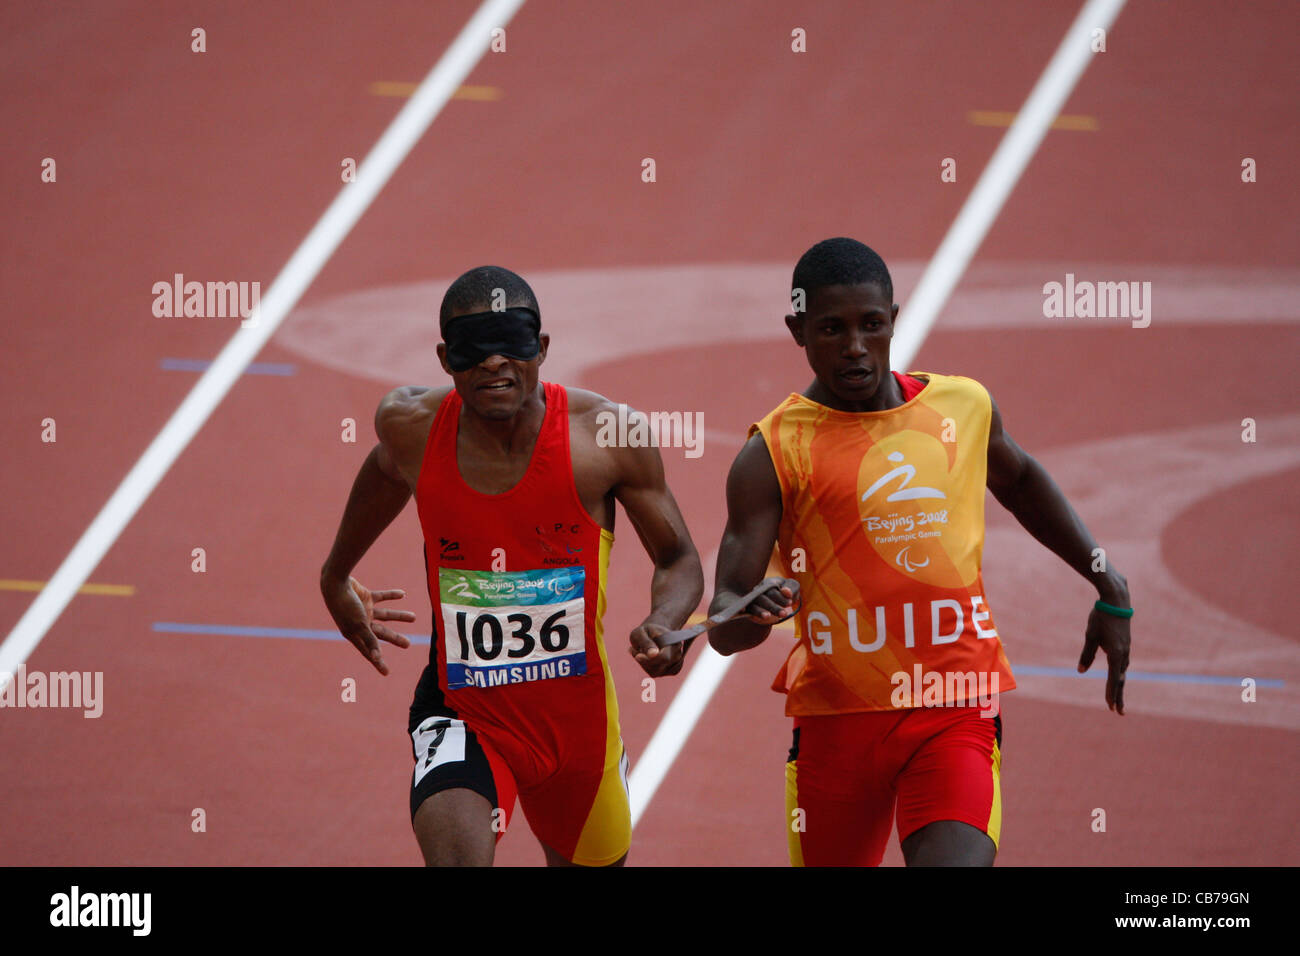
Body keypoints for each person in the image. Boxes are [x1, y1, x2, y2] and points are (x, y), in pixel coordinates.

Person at [707, 237, 1132, 867]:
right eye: (831, 329)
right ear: (798, 330)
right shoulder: (771, 452)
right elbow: (724, 626)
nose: (855, 347)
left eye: (871, 326)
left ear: (894, 321)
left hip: (953, 710)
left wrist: (1109, 584)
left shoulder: (961, 406)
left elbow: (1019, 481)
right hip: (837, 726)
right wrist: (752, 611)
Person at [319, 265, 703, 867]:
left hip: (578, 726)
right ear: (446, 359)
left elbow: (678, 557)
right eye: (473, 349)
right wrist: (336, 573)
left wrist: (667, 620)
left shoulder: (606, 436)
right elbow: (387, 469)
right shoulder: (410, 426)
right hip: (464, 710)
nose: (494, 363)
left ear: (542, 349)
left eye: (513, 344)